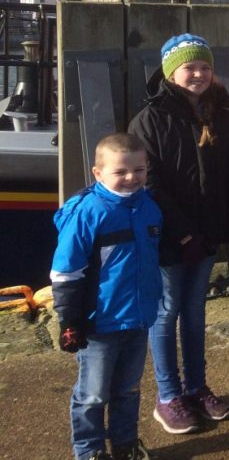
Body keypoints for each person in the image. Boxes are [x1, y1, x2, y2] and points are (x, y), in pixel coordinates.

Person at [128, 33, 229, 435]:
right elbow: (149, 184)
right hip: (168, 237)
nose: (198, 73)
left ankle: (197, 386)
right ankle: (168, 396)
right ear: (171, 72)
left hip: (207, 234)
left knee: (196, 311)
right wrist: (183, 233)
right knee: (167, 313)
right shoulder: (149, 120)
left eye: (204, 66)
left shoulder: (221, 115)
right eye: (189, 67)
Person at [51, 133, 162, 460]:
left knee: (128, 389)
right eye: (121, 172)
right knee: (93, 394)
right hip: (99, 324)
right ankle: (89, 451)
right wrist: (69, 320)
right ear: (98, 173)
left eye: (139, 170)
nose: (132, 178)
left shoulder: (150, 208)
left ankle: (125, 444)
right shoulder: (89, 213)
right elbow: (65, 271)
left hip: (138, 319)